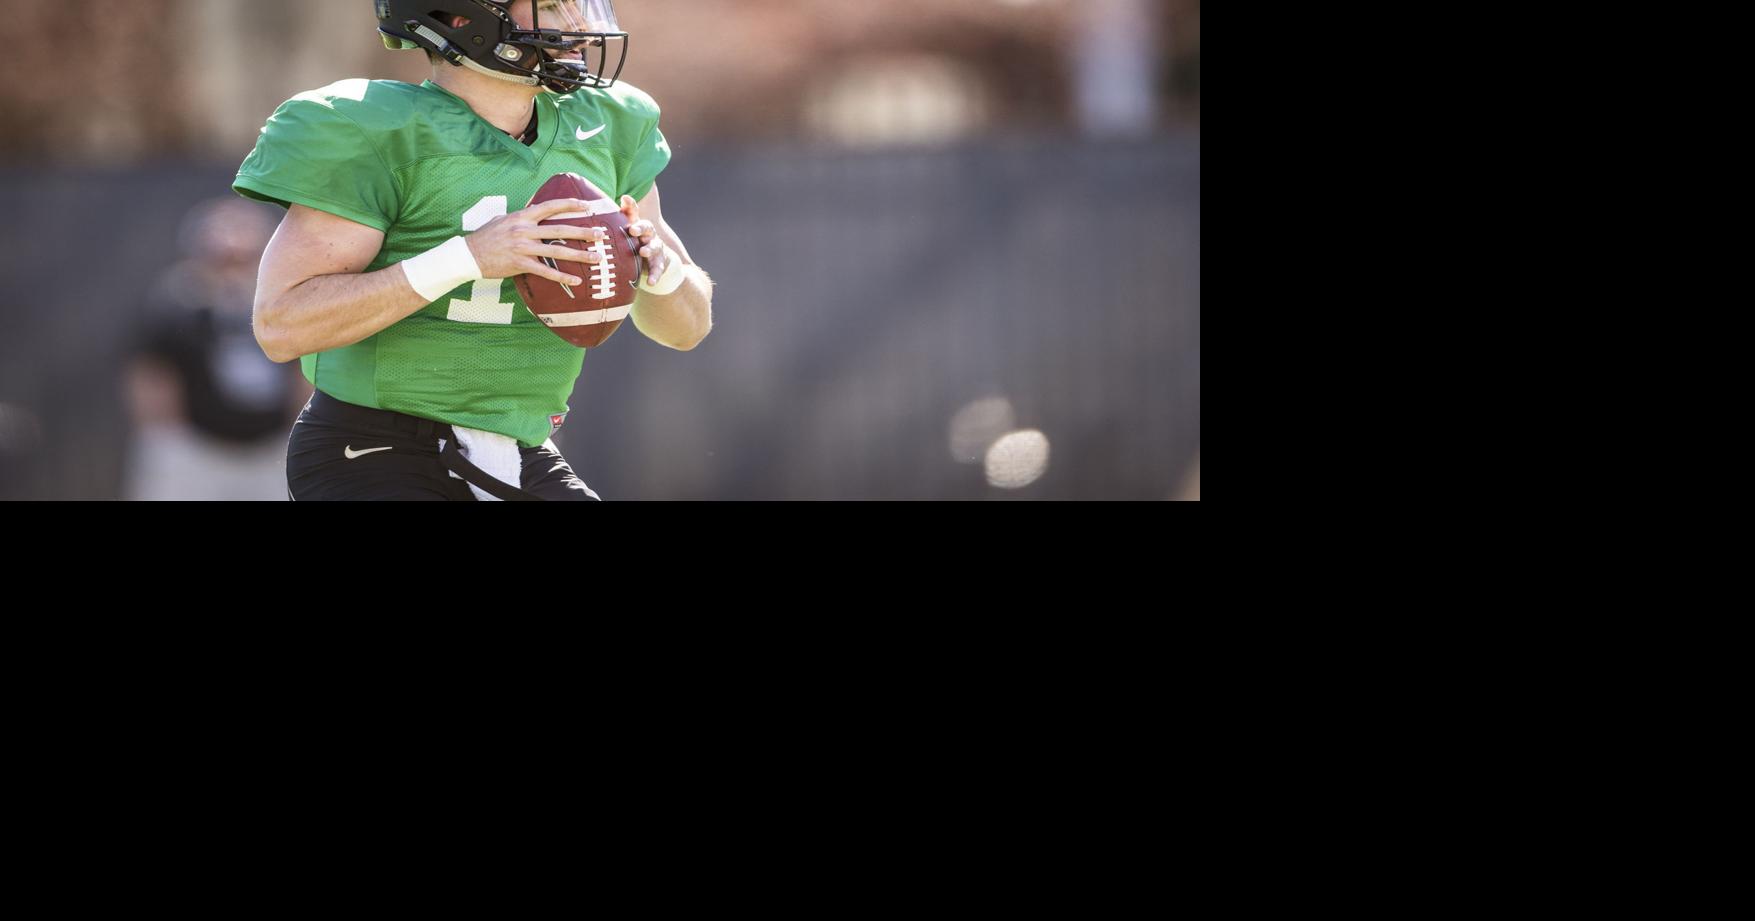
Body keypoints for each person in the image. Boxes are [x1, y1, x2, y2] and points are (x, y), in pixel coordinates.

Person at [234, 0, 712, 500]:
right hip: (375, 449)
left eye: (583, 6)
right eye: (552, 7)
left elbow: (688, 329)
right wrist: (468, 259)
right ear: (465, 19)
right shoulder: (373, 129)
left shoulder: (607, 125)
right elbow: (281, 326)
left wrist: (660, 272)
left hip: (523, 448)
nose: (582, 28)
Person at [124, 197, 310, 501]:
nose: (233, 269)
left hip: (269, 450)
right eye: (223, 258)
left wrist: (295, 432)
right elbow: (152, 373)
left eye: (244, 257)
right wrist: (170, 440)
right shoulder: (177, 302)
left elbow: (303, 371)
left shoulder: (286, 302)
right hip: (198, 449)